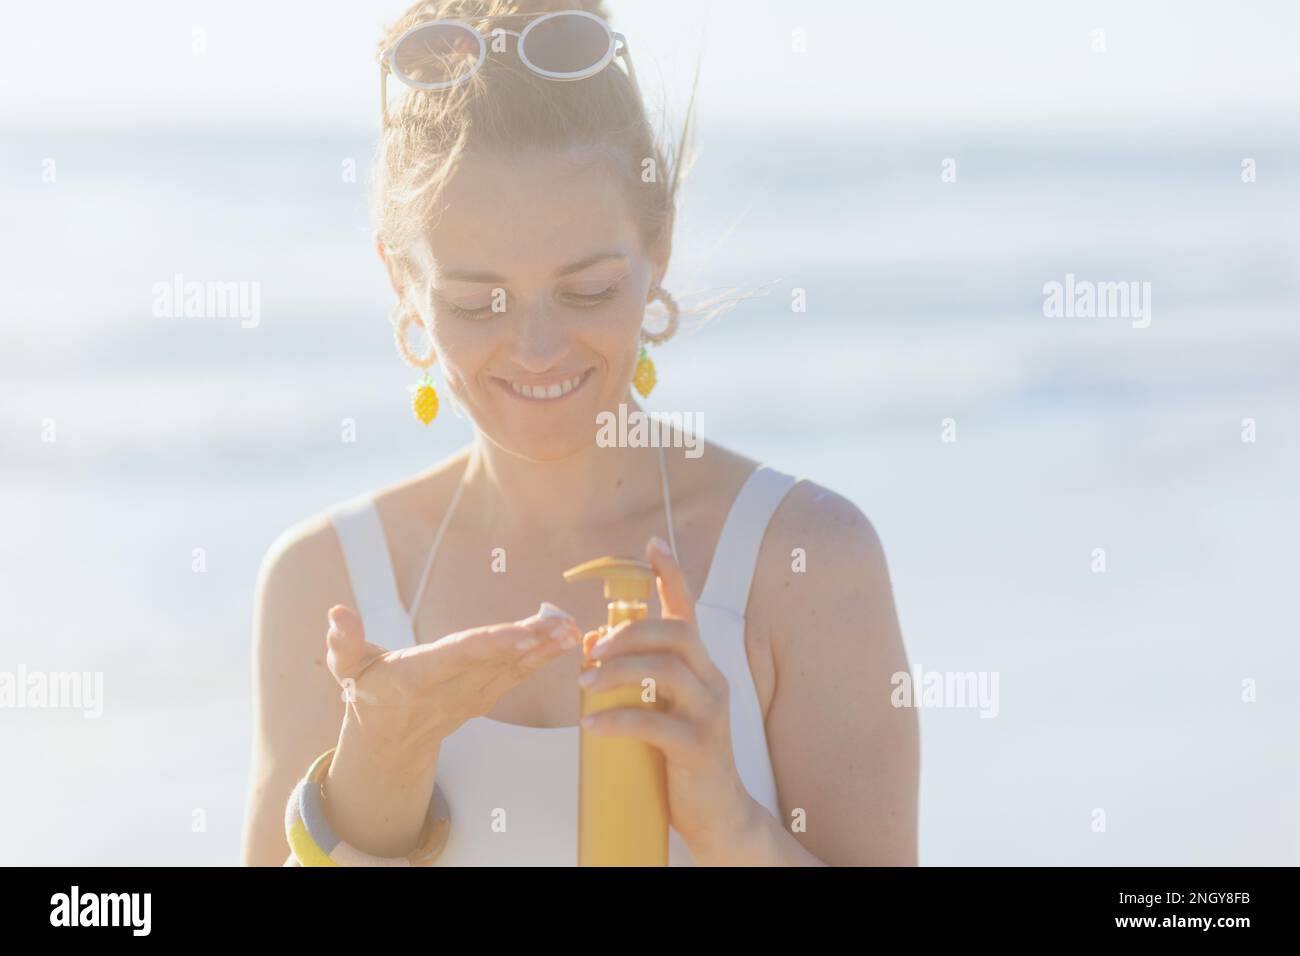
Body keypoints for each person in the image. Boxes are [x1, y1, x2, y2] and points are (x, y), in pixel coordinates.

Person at [240, 0, 917, 866]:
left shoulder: (809, 561)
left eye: (588, 290)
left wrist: (730, 827)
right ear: (401, 282)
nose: (538, 350)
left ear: (659, 244)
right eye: (478, 302)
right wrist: (374, 776)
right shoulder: (323, 581)